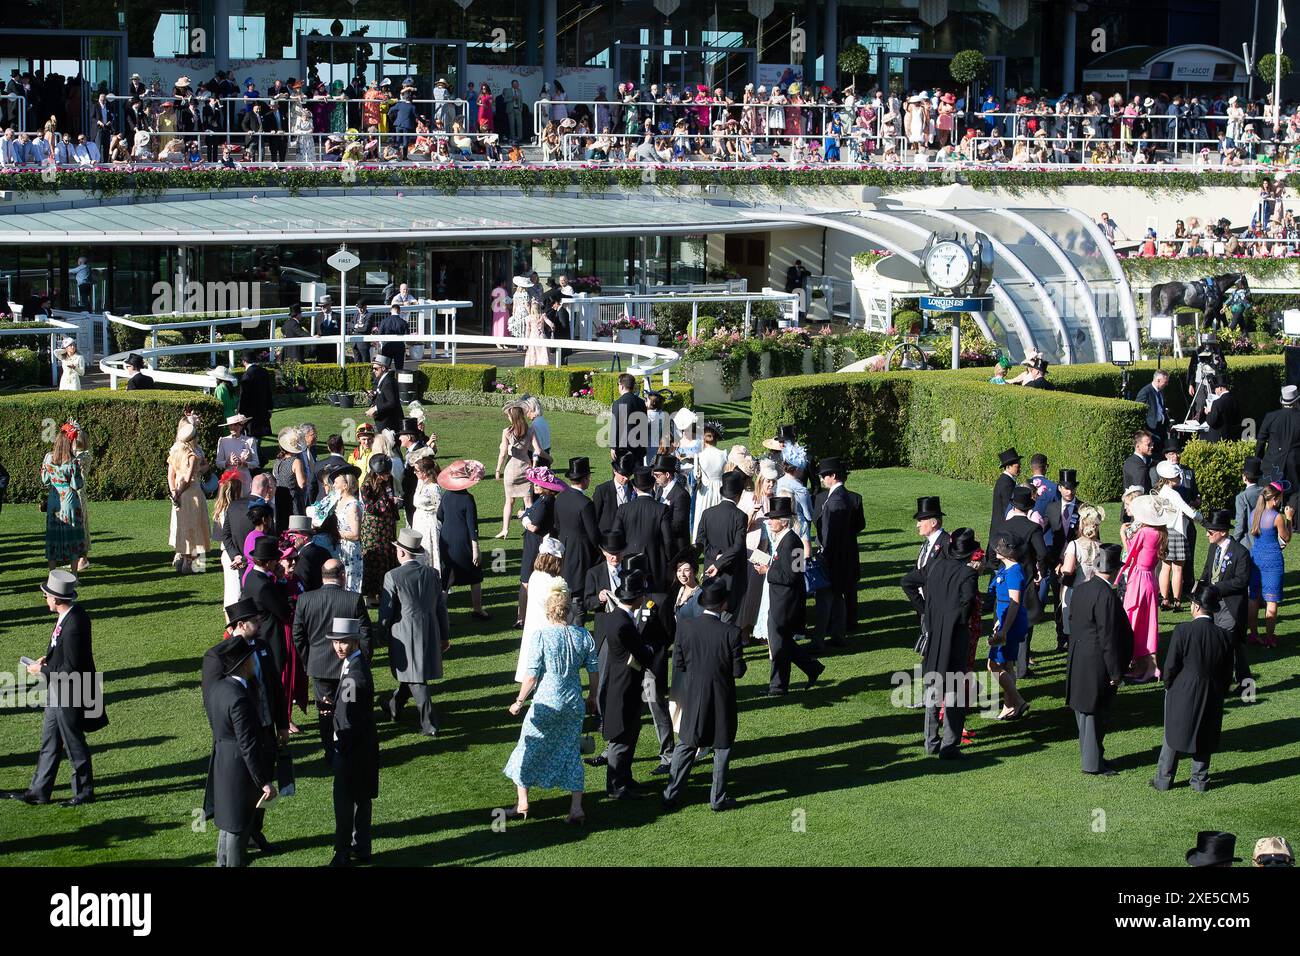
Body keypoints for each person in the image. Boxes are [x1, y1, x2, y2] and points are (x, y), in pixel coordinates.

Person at [3, 571, 106, 807]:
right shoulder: (70, 615)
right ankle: (38, 791)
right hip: (58, 690)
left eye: (46, 595)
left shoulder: (74, 624)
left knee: (73, 743)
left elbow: (71, 669)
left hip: (70, 692)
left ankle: (84, 792)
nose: (45, 599)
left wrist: (42, 671)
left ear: (57, 599)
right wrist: (47, 660)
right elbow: (64, 655)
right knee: (49, 740)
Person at [503, 582, 598, 823]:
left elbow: (532, 674)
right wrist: (593, 696)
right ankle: (576, 808)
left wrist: (519, 701)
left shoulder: (541, 636)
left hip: (547, 700)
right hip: (573, 701)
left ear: (548, 612)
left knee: (526, 746)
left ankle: (522, 802)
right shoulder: (583, 635)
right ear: (568, 611)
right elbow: (594, 671)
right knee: (570, 751)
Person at [660, 577, 745, 811]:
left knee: (686, 744)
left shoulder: (686, 627)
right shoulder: (732, 633)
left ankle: (671, 794)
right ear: (723, 605)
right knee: (722, 748)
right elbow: (738, 672)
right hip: (722, 699)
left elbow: (679, 663)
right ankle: (717, 798)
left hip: (694, 697)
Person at [1151, 582, 1234, 792]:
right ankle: (1200, 781)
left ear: (1196, 606)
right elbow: (1227, 671)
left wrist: (1169, 686)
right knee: (1205, 735)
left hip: (1182, 690)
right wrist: (1220, 692)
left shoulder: (1183, 631)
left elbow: (1171, 665)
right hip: (1212, 691)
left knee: (1172, 735)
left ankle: (1164, 779)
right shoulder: (1224, 636)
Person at [203, 639, 274, 866]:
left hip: (222, 762)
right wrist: (263, 781)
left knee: (227, 825)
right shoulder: (239, 698)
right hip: (239, 770)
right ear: (243, 665)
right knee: (238, 827)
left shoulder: (218, 689)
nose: (255, 661)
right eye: (251, 658)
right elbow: (248, 745)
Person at [1065, 543, 1131, 776]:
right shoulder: (1106, 595)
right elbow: (1108, 637)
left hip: (1079, 657)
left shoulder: (1083, 588)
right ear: (1113, 570)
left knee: (1084, 713)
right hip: (1096, 663)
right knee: (1094, 714)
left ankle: (1094, 757)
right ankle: (1092, 764)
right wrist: (1115, 672)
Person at [916, 528, 979, 757]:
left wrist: (926, 612)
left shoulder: (935, 567)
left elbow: (911, 583)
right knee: (953, 690)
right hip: (956, 636)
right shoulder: (968, 575)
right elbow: (967, 605)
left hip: (934, 634)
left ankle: (931, 742)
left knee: (933, 690)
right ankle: (949, 745)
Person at [381, 528, 450, 737]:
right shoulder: (432, 573)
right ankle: (394, 705)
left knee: (417, 679)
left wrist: (381, 634)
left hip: (404, 633)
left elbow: (386, 610)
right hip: (430, 629)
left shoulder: (392, 576)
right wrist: (445, 635)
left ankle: (429, 724)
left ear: (401, 553)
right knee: (412, 673)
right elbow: (441, 607)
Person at [596, 568, 654, 798]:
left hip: (625, 684)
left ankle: (624, 778)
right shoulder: (623, 624)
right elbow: (643, 653)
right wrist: (648, 649)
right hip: (625, 685)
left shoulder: (616, 618)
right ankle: (616, 786)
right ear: (636, 597)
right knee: (622, 737)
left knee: (630, 733)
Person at [326, 617, 379, 866]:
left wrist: (340, 747)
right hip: (363, 747)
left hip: (350, 750)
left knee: (344, 803)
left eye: (344, 641)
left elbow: (347, 716)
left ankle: (343, 851)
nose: (338, 646)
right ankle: (362, 847)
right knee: (361, 799)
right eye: (336, 641)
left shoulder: (352, 676)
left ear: (355, 641)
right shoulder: (354, 666)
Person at [761, 497, 825, 696]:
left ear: (784, 521)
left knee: (779, 646)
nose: (770, 522)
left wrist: (767, 570)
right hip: (781, 600)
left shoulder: (792, 542)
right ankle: (812, 668)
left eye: (773, 518)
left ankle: (778, 687)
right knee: (783, 643)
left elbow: (794, 575)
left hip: (786, 603)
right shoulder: (785, 540)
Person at [813, 456, 865, 647]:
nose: (822, 479)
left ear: (833, 476)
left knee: (825, 598)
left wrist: (825, 554)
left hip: (833, 558)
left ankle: (819, 640)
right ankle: (837, 634)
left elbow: (831, 535)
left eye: (824, 476)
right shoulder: (842, 497)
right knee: (836, 597)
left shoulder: (835, 501)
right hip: (841, 555)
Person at [1201, 509, 1255, 691]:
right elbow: (1207, 572)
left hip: (1231, 605)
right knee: (1233, 646)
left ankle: (1223, 683)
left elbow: (1242, 580)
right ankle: (1245, 683)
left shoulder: (1241, 553)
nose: (1207, 534)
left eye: (1210, 531)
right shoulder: (1213, 547)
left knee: (1224, 643)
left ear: (1222, 532)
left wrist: (1217, 588)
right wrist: (1199, 589)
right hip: (1213, 604)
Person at [1121, 494, 1171, 682]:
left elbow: (1130, 554)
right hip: (1150, 579)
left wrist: (1123, 535)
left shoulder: (1144, 533)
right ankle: (1149, 666)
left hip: (1139, 580)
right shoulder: (1160, 533)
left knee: (1133, 621)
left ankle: (1142, 665)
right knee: (1148, 624)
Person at [436, 459, 491, 619]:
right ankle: (478, 609)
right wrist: (476, 550)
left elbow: (440, 515)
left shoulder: (446, 496)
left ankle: (440, 612)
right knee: (475, 576)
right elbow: (472, 527)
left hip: (446, 538)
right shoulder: (468, 499)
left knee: (447, 577)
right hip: (463, 541)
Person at [697, 470, 749, 622]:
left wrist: (715, 555)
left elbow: (700, 541)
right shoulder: (740, 516)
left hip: (710, 569)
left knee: (710, 615)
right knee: (729, 617)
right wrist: (720, 561)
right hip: (732, 574)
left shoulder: (707, 513)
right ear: (739, 494)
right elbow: (738, 547)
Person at [988, 535, 1030, 720]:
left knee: (993, 665)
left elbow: (1014, 603)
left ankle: (1018, 701)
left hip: (1010, 623)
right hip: (1006, 620)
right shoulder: (1009, 569)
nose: (997, 549)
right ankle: (1009, 706)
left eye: (1001, 547)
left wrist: (1004, 630)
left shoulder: (1013, 572)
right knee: (1007, 664)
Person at [613, 467, 673, 591]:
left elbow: (615, 536)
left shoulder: (623, 509)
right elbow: (668, 540)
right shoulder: (661, 509)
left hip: (629, 560)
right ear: (652, 486)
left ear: (634, 488)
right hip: (654, 561)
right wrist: (668, 560)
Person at [554, 457, 600, 614]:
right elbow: (593, 535)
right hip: (581, 555)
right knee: (578, 595)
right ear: (585, 478)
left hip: (564, 550)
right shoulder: (585, 503)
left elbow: (557, 525)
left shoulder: (560, 498)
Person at [1248, 481, 1290, 647]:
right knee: (1271, 601)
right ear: (1275, 499)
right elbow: (1285, 538)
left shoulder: (1254, 514)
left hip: (1255, 559)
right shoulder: (1277, 517)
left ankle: (1253, 635)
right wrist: (1290, 519)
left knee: (1253, 598)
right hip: (1273, 561)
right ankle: (1269, 638)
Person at [41, 424, 88, 573]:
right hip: (69, 500)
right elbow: (77, 484)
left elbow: (45, 480)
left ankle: (52, 574)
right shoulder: (72, 461)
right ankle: (74, 576)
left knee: (53, 537)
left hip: (54, 501)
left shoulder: (48, 458)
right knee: (72, 537)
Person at [168, 417, 210, 574]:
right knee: (196, 525)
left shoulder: (175, 453)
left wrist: (174, 493)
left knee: (183, 526)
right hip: (192, 493)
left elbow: (170, 475)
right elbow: (188, 478)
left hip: (180, 495)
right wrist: (179, 492)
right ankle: (191, 563)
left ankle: (183, 559)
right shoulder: (192, 456)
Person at [494, 402, 543, 538]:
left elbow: (503, 453)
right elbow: (537, 450)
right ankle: (530, 527)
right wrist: (534, 465)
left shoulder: (507, 432)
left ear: (513, 417)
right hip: (526, 469)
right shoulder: (530, 430)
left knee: (509, 501)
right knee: (528, 502)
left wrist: (498, 470)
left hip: (511, 469)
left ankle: (505, 529)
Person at [360, 455, 400, 607]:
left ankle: (385, 591)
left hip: (387, 526)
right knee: (374, 559)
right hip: (373, 529)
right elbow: (370, 507)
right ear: (377, 473)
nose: (388, 475)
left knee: (387, 558)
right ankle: (370, 594)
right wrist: (387, 501)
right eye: (385, 473)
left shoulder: (388, 481)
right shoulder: (366, 486)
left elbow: (389, 496)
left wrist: (393, 501)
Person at [1255, 384, 1300, 519]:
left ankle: (1265, 517)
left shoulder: (1271, 416)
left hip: (1272, 461)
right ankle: (1293, 521)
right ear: (1296, 401)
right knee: (1295, 493)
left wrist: (1258, 459)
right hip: (1295, 461)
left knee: (1269, 492)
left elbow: (1261, 440)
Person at [691, 421, 729, 542]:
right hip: (720, 488)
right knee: (719, 518)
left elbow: (696, 476)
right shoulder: (723, 454)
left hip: (705, 489)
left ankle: (701, 541)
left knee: (702, 515)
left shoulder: (699, 455)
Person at [236, 351, 274, 462]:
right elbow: (269, 392)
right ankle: (259, 458)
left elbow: (243, 396)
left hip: (250, 413)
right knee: (258, 437)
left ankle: (258, 460)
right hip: (262, 410)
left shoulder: (247, 375)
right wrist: (270, 408)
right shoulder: (264, 372)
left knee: (251, 437)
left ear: (244, 362)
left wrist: (240, 412)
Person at [273, 426, 309, 531]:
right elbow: (301, 483)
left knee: (282, 527)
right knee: (296, 528)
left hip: (280, 497)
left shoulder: (277, 461)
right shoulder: (296, 462)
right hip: (293, 499)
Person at [610, 373, 649, 464]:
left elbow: (616, 426)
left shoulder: (618, 403)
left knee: (620, 473)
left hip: (623, 447)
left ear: (622, 386)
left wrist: (613, 447)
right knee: (639, 475)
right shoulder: (641, 402)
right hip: (639, 445)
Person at [217, 414, 258, 490]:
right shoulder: (223, 441)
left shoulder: (249, 440)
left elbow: (256, 462)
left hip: (244, 478)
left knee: (244, 500)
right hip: (228, 477)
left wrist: (244, 463)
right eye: (230, 425)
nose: (233, 427)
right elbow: (218, 463)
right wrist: (228, 462)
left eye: (235, 425)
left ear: (241, 426)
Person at [367, 354, 403, 438]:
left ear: (383, 368)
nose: (373, 371)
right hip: (384, 422)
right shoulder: (381, 379)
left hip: (389, 424)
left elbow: (392, 402)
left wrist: (375, 409)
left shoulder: (388, 382)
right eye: (373, 368)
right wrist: (374, 394)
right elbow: (382, 395)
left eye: (376, 369)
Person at [990, 447, 1020, 544]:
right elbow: (1008, 506)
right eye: (1017, 466)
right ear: (1008, 466)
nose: (1019, 469)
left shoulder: (1005, 480)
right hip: (1002, 526)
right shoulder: (1006, 483)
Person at [1135, 371, 1170, 448]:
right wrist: (1145, 430)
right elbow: (1138, 412)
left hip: (1162, 427)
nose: (1167, 384)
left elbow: (1161, 408)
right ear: (1158, 380)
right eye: (1165, 382)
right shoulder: (1145, 392)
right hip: (1151, 429)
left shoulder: (1161, 391)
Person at [1204, 376, 1241, 443]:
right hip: (1231, 438)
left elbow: (1211, 421)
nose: (1215, 391)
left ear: (1220, 388)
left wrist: (1208, 412)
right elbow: (1237, 420)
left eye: (1215, 388)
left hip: (1217, 438)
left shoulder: (1217, 403)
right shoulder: (1235, 400)